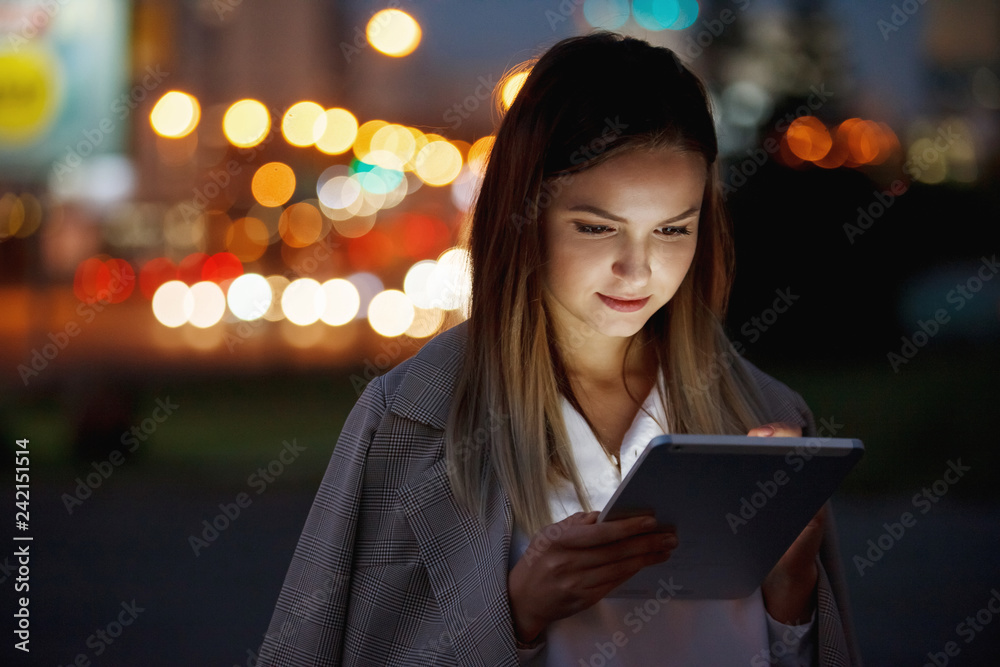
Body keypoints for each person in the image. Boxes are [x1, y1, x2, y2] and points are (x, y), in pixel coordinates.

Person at [258, 32, 862, 666]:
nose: (637, 269)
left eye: (671, 229)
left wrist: (791, 598)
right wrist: (514, 617)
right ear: (524, 214)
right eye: (597, 227)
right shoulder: (410, 422)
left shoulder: (764, 416)